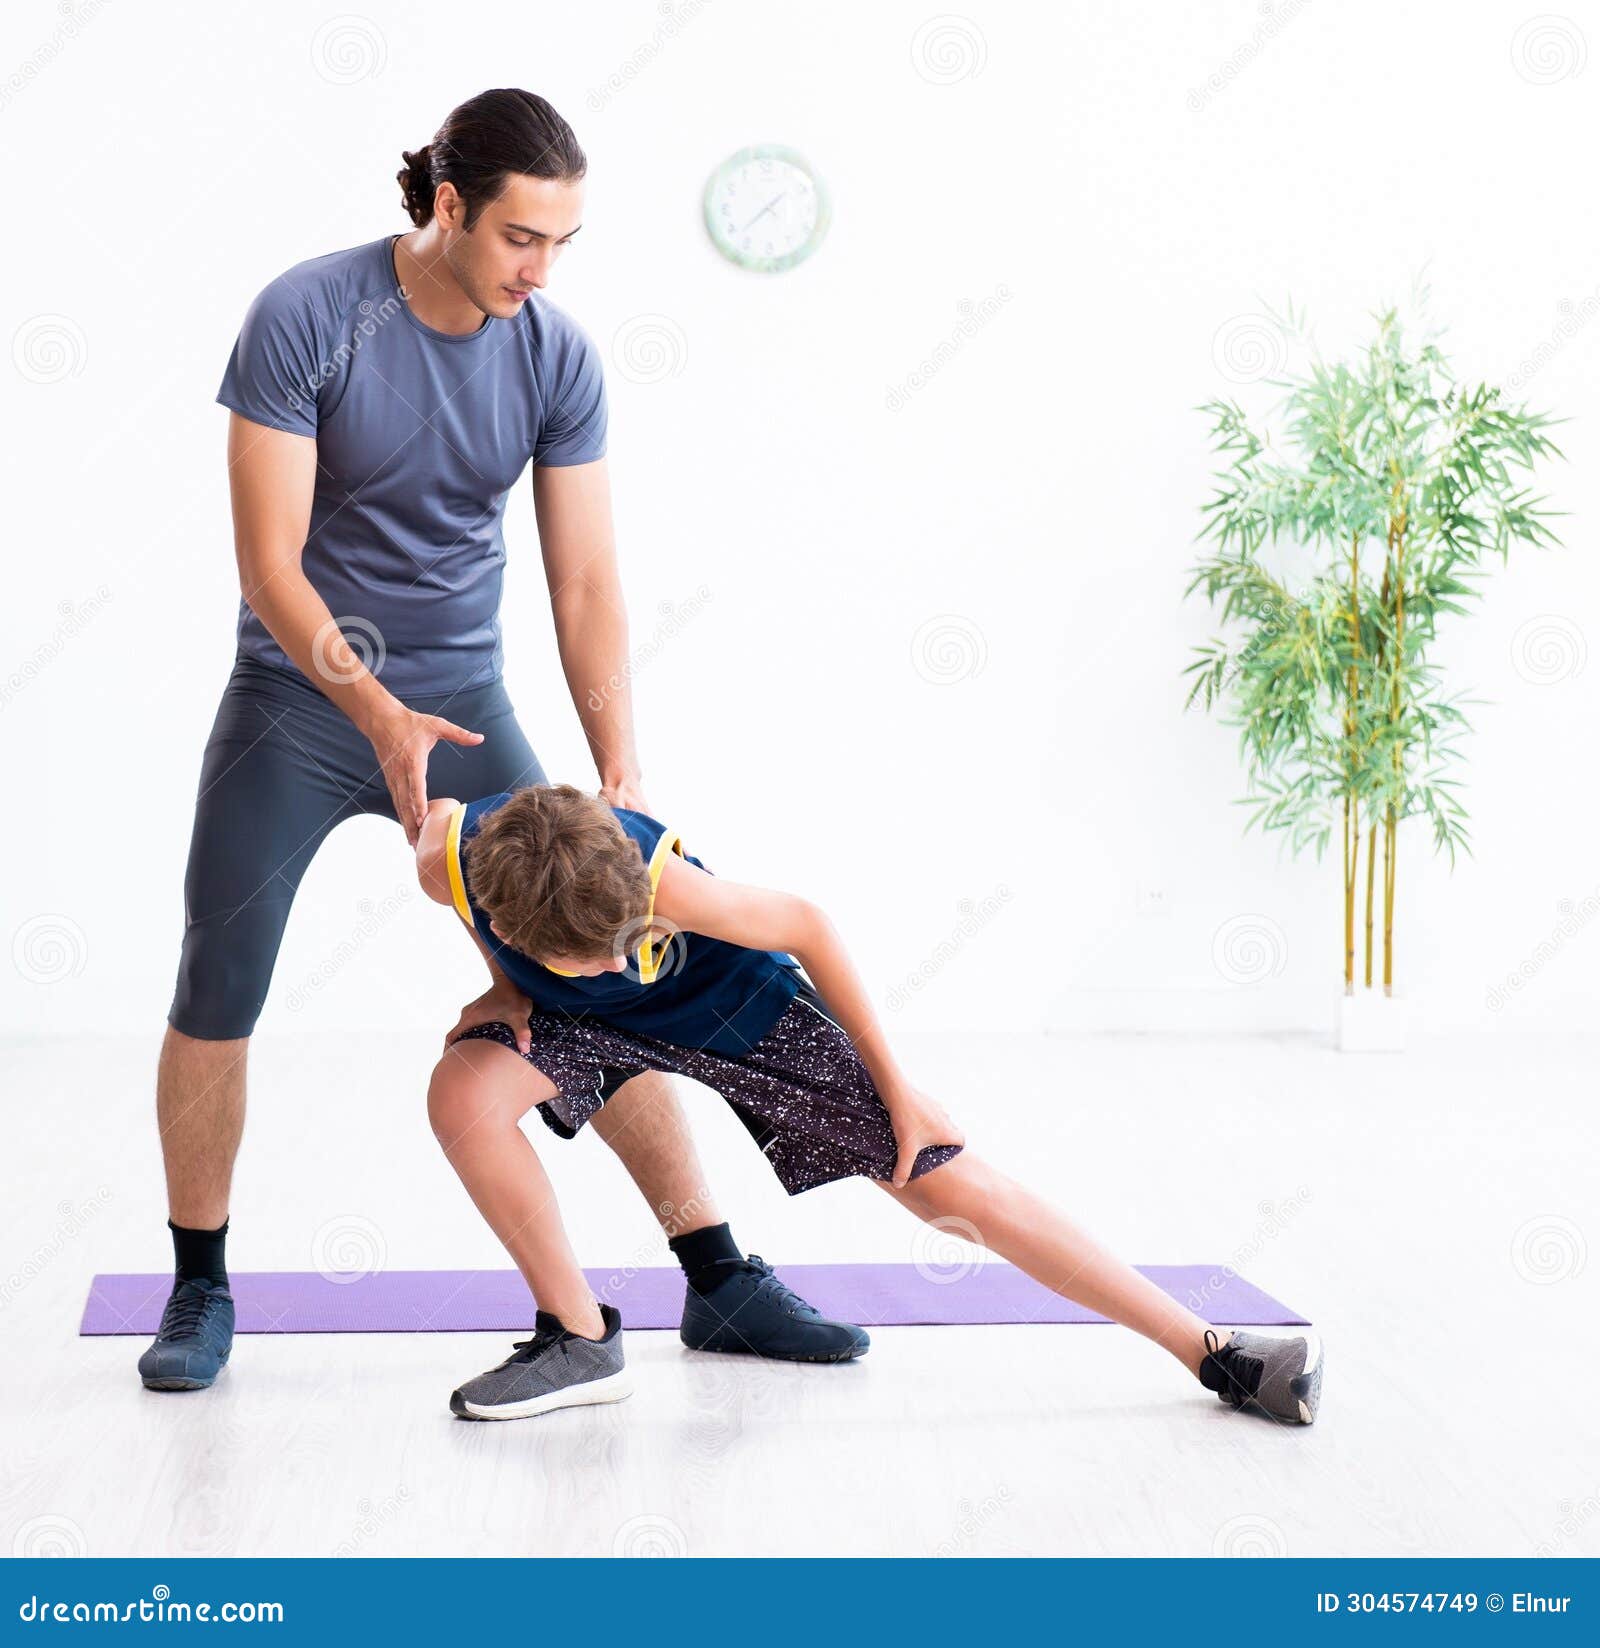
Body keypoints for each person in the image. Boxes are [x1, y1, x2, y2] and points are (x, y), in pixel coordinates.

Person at [139, 88, 862, 1393]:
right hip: (298, 705)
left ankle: (720, 1279)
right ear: (450, 204)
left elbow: (583, 584)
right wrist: (372, 708)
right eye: (523, 237)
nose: (542, 268)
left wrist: (621, 771)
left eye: (565, 243)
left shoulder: (554, 356)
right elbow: (269, 561)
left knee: (603, 978)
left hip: (468, 705)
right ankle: (197, 1287)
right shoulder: (309, 316)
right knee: (218, 984)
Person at [414, 784, 1326, 1426]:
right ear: (514, 923)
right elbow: (446, 850)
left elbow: (809, 924)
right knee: (461, 1093)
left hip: (739, 1009)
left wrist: (899, 1091)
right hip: (584, 1027)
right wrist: (504, 984)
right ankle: (577, 1336)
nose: (618, 959)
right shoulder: (452, 861)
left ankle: (1211, 1351)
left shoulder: (663, 884)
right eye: (591, 955)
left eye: (626, 943)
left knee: (937, 1185)